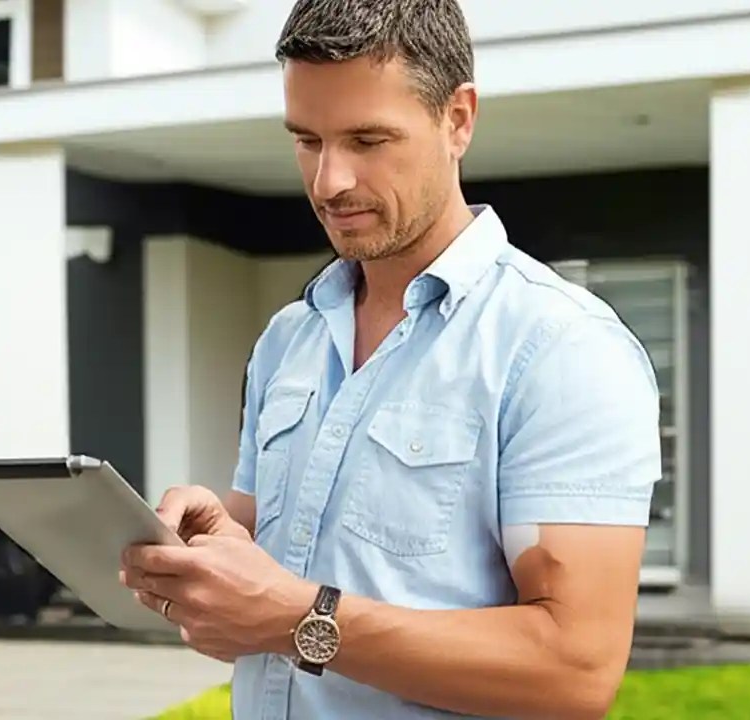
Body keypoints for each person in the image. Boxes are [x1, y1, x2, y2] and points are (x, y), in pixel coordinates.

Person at [119, 1, 663, 718]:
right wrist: (210, 545)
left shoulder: (561, 347)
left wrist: (295, 618)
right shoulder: (290, 339)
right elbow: (270, 558)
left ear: (458, 119)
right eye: (307, 141)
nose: (328, 182)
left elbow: (574, 671)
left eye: (368, 140)